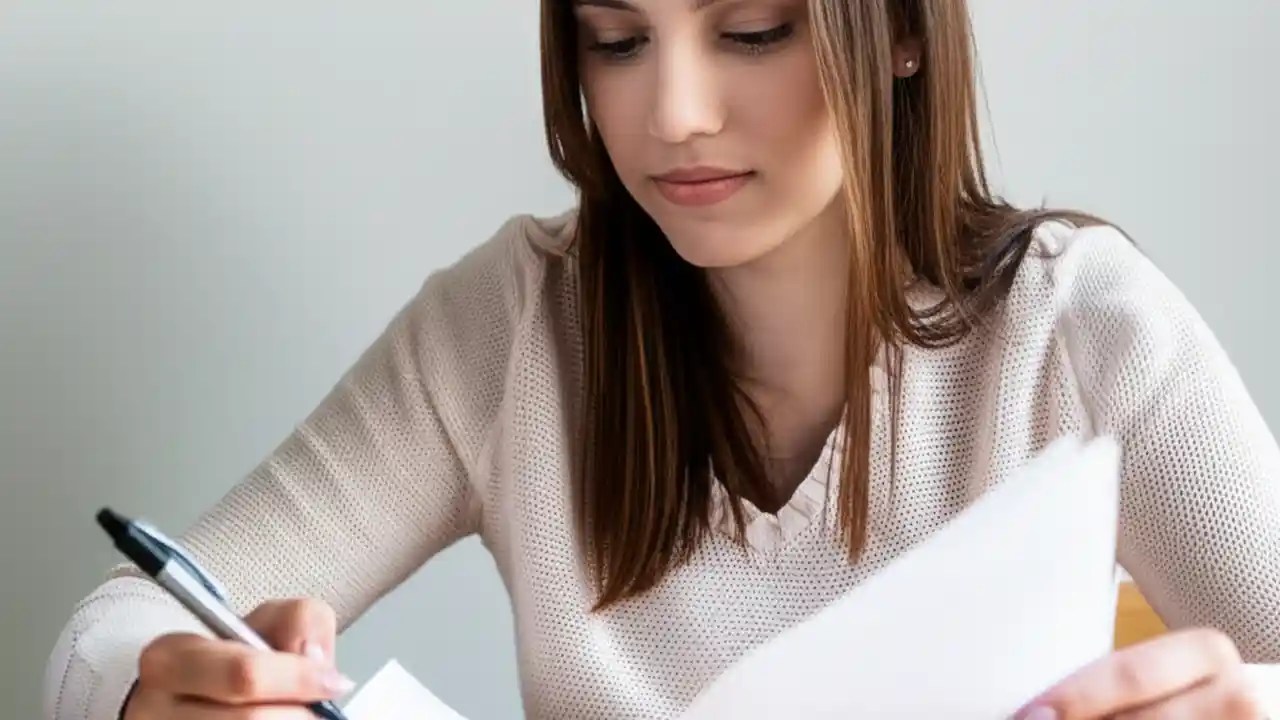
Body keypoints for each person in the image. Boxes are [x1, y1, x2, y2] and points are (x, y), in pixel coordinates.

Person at [44, 0, 1280, 718]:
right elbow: (122, 617)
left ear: (899, 33)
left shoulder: (1077, 326)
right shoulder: (510, 329)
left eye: (748, 28)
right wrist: (146, 693)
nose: (671, 111)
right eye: (616, 39)